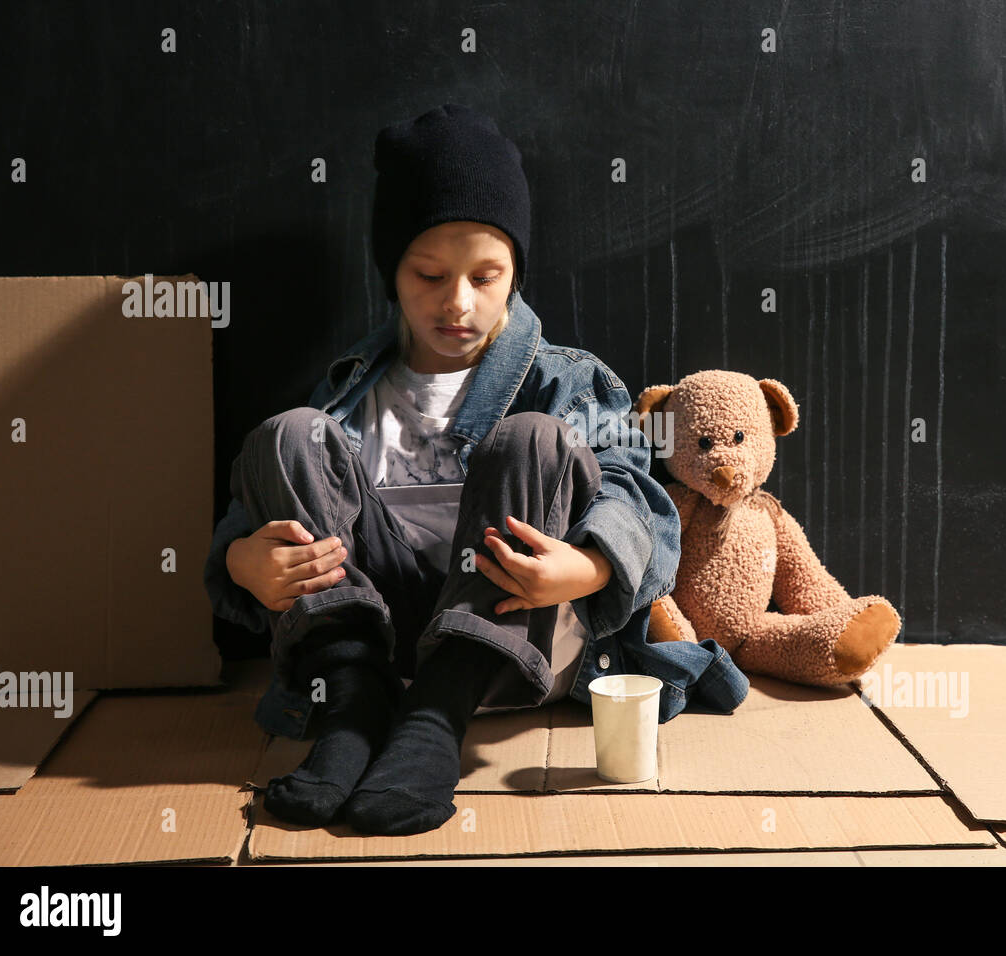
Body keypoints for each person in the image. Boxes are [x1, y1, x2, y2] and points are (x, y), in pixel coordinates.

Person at [202, 104, 693, 837]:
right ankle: (353, 706)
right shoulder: (346, 393)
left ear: (515, 274)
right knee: (287, 436)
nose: (457, 302)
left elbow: (637, 495)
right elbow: (255, 520)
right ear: (392, 271)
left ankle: (434, 720)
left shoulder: (565, 381)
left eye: (485, 275)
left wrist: (589, 570)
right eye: (429, 274)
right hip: (375, 653)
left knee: (533, 438)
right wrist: (245, 563)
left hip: (512, 649)